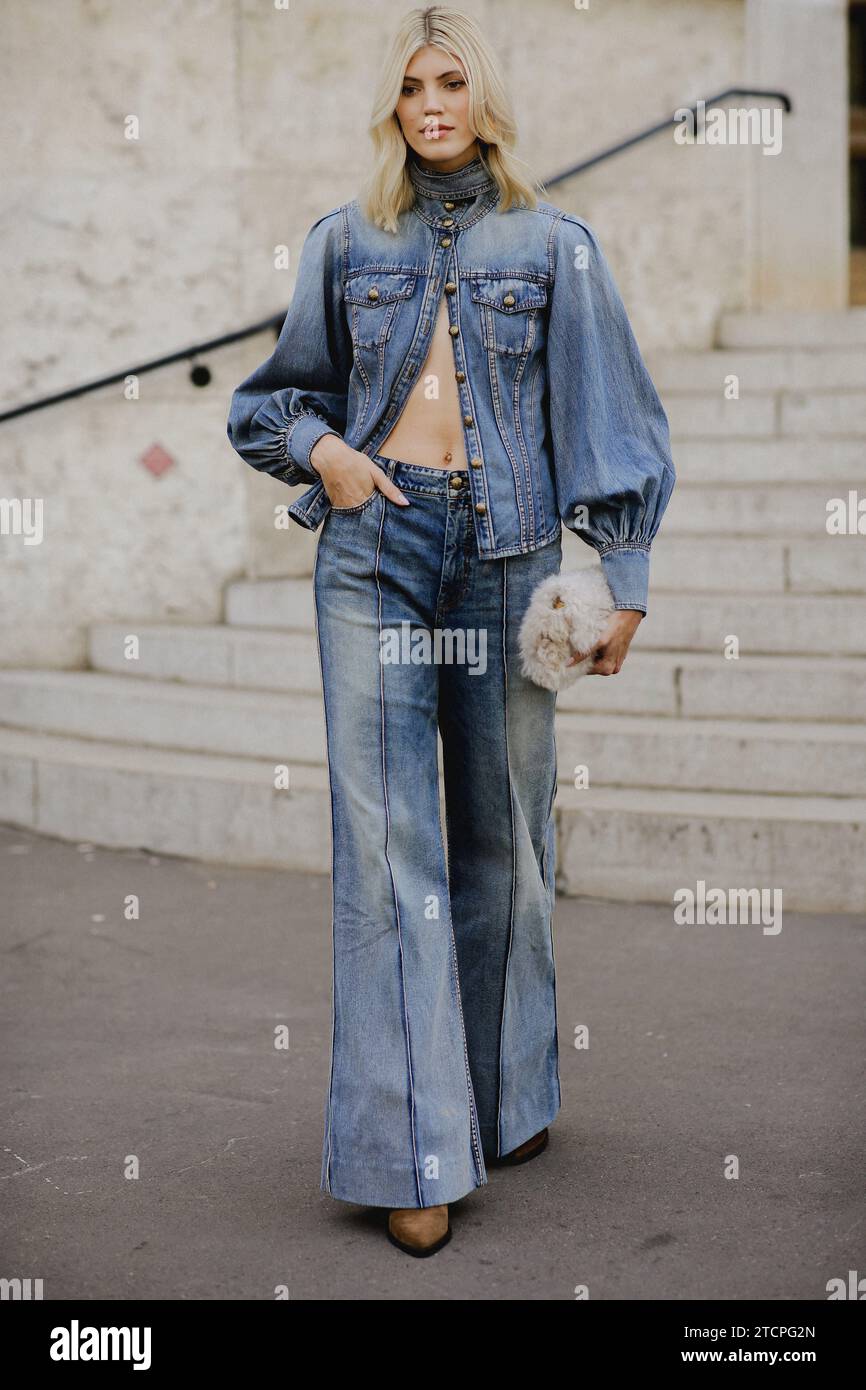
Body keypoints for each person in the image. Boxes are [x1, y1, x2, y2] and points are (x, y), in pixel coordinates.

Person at [226, 5, 675, 1257]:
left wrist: (621, 572)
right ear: (392, 105)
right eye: (414, 85)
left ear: (484, 100)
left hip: (509, 553)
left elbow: (610, 413)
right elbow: (275, 402)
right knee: (383, 853)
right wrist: (328, 454)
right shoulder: (341, 239)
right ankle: (409, 1148)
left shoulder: (553, 242)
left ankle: (502, 1091)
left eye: (453, 82)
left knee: (504, 837)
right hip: (372, 551)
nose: (433, 103)